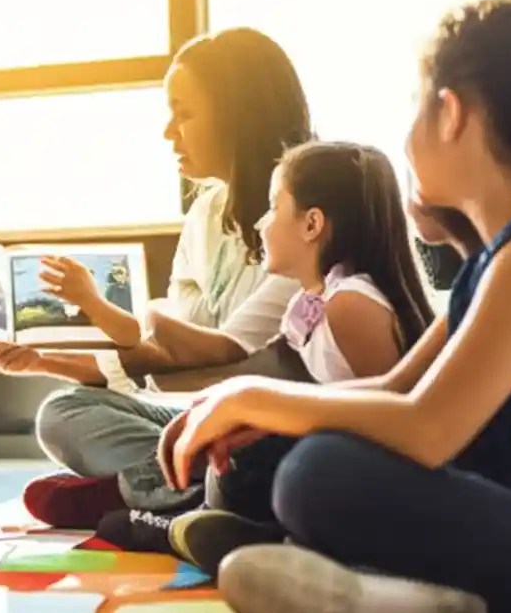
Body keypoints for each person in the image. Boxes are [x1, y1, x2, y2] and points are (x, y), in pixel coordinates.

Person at [168, 0, 511, 613]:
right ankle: (358, 579)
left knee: (319, 473)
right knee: (305, 456)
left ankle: (423, 607)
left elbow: (427, 426)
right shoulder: (497, 261)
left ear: (450, 113)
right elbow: (391, 388)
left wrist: (255, 395)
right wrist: (265, 411)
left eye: (414, 105)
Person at [0, 27, 312, 526]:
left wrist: (124, 313)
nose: (169, 132)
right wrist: (44, 358)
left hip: (267, 421)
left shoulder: (302, 215)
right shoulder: (207, 213)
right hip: (204, 415)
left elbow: (224, 361)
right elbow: (163, 357)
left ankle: (161, 487)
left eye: (185, 112)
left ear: (239, 113)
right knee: (64, 414)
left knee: (255, 451)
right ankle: (174, 485)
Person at [148, 141, 433, 568]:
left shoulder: (351, 303)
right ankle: (232, 527)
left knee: (251, 465)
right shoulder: (314, 299)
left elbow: (390, 426)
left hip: (363, 475)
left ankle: (212, 528)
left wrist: (272, 422)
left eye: (273, 206)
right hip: (332, 453)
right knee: (228, 454)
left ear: (312, 223)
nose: (262, 222)